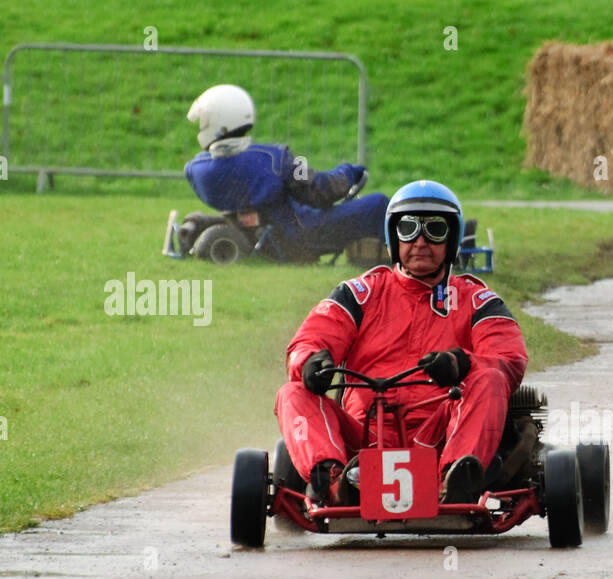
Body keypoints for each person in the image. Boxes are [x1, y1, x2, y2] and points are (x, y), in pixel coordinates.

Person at [274, 179, 528, 505]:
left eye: (434, 230)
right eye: (409, 229)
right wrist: (311, 362)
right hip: (364, 437)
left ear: (452, 239)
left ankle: (455, 480)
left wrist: (461, 363)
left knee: (490, 378)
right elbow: (310, 339)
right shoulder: (360, 293)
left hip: (442, 432)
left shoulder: (477, 299)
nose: (420, 242)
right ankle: (339, 486)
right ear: (394, 238)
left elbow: (508, 358)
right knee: (292, 392)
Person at [183, 84, 387, 259]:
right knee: (377, 204)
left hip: (260, 237)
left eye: (204, 121)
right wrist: (348, 171)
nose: (202, 127)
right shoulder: (274, 158)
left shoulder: (197, 168)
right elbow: (321, 192)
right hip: (299, 235)